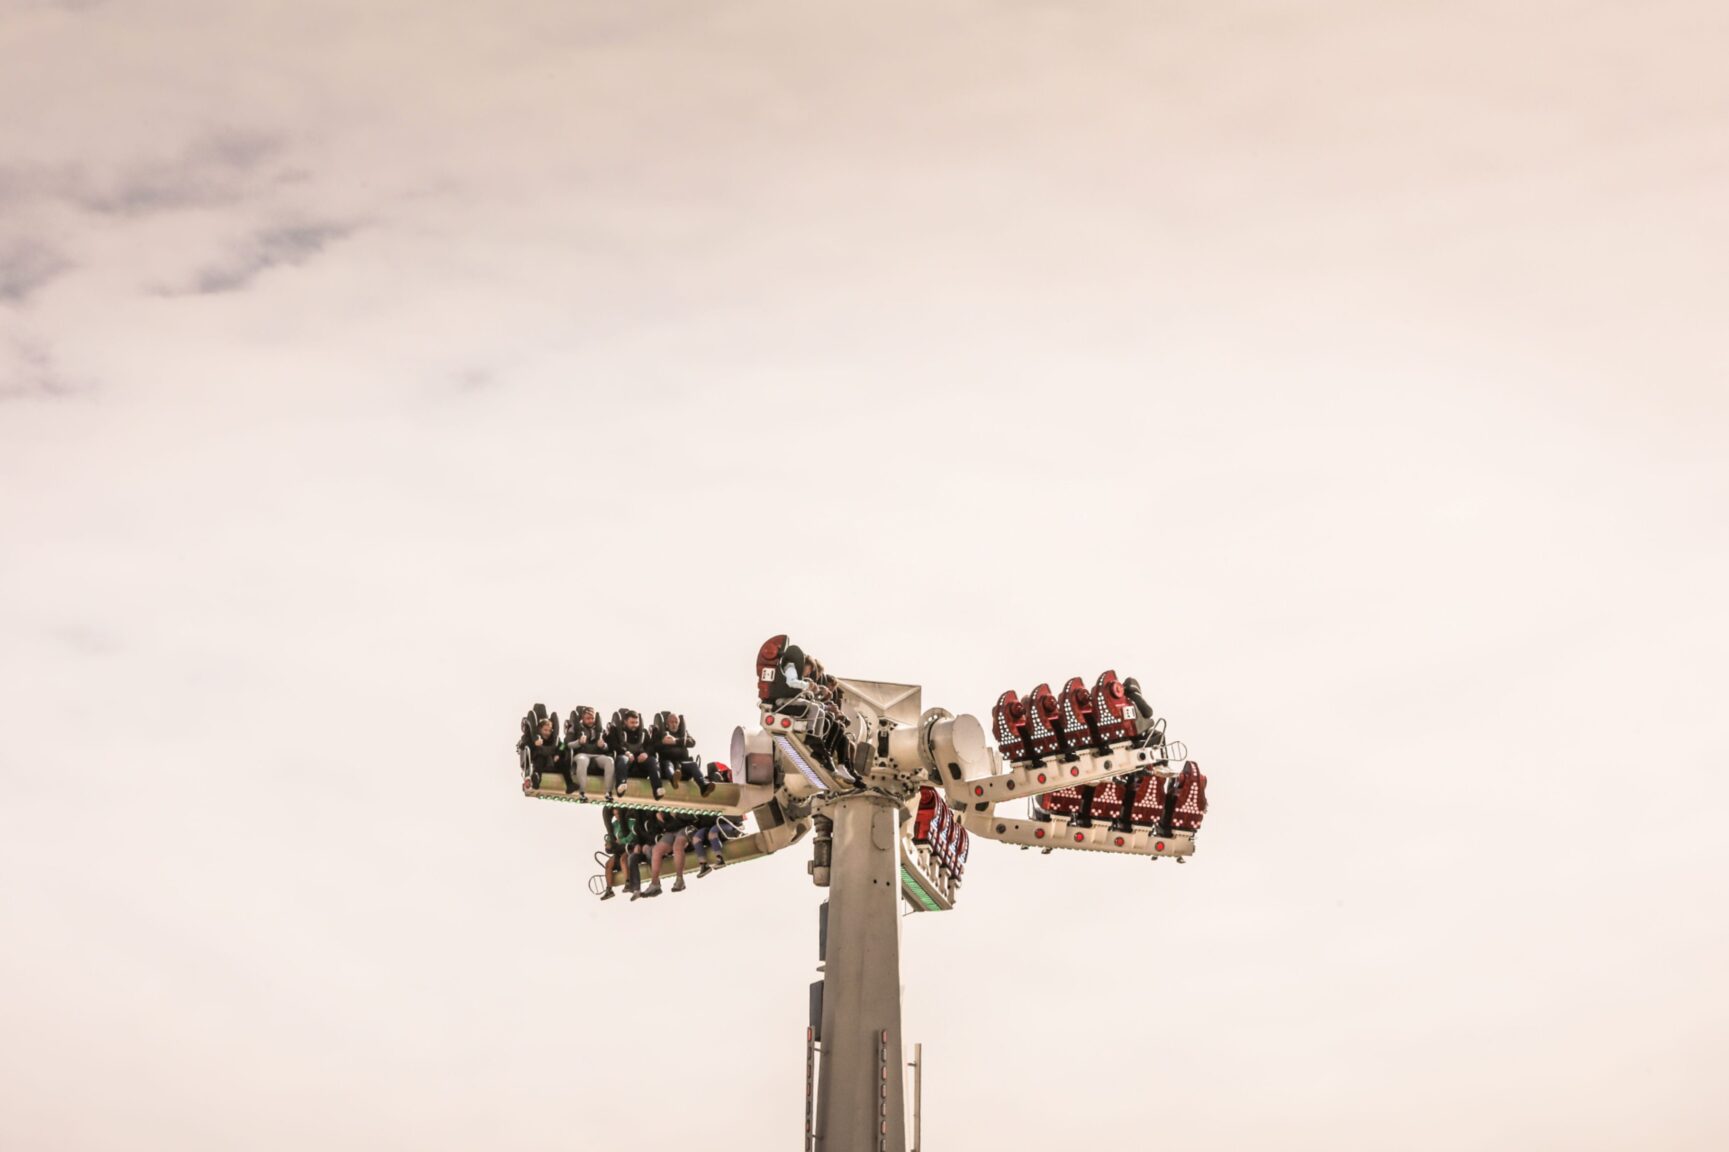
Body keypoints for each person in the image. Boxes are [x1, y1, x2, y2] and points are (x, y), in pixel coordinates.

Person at [651, 711, 713, 797]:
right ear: (667, 723)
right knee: (668, 765)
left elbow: (692, 742)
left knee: (693, 765)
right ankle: (673, 779)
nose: (674, 724)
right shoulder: (661, 733)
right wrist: (663, 742)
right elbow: (653, 747)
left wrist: (675, 741)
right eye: (671, 722)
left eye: (676, 722)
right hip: (667, 763)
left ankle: (703, 786)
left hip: (682, 763)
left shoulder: (683, 733)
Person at [607, 708, 661, 799]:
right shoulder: (617, 731)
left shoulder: (643, 733)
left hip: (640, 765)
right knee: (623, 759)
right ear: (625, 722)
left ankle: (657, 788)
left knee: (652, 760)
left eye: (636, 722)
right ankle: (621, 785)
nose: (635, 725)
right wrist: (625, 752)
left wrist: (646, 753)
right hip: (626, 764)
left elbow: (651, 746)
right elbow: (612, 744)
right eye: (632, 722)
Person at [564, 705, 611, 799]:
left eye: (592, 718)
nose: (590, 720)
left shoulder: (600, 730)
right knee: (582, 760)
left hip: (597, 755)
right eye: (588, 718)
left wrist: (604, 746)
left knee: (609, 760)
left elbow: (609, 748)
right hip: (581, 754)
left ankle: (608, 792)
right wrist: (579, 742)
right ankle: (582, 792)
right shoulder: (574, 728)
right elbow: (567, 744)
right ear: (582, 718)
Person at [520, 714, 563, 791]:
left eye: (549, 730)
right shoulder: (533, 738)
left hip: (552, 763)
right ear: (539, 730)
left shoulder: (553, 739)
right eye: (545, 730)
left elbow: (563, 745)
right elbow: (523, 745)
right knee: (540, 759)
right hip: (539, 762)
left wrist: (558, 754)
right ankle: (536, 778)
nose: (547, 733)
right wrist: (534, 743)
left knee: (559, 759)